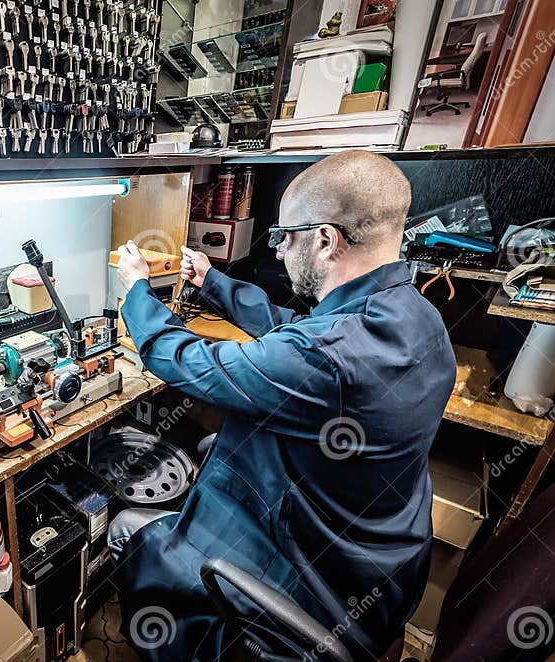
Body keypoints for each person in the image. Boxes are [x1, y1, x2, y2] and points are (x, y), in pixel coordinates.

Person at [111, 150, 456, 660]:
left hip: (310, 580)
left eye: (282, 237)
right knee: (211, 445)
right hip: (381, 568)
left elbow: (184, 358)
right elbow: (299, 335)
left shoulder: (326, 357)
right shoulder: (420, 317)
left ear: (324, 239)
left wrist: (138, 290)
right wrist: (212, 282)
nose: (276, 253)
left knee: (123, 528)